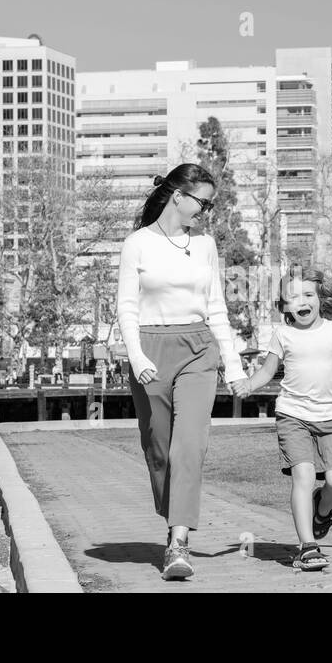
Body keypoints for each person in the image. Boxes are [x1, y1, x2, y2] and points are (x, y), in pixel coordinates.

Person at [116, 164, 248, 581]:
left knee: (188, 447)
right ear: (178, 195)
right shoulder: (136, 244)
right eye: (202, 202)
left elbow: (216, 307)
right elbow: (127, 307)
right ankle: (173, 515)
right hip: (150, 351)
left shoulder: (205, 245)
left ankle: (178, 543)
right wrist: (136, 356)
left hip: (198, 350)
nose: (205, 211)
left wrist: (233, 363)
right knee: (158, 449)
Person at [236, 269, 332, 571]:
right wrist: (248, 384)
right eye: (293, 297)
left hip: (331, 418)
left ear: (320, 299)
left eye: (308, 295)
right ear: (283, 306)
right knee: (302, 477)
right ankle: (307, 546)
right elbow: (267, 372)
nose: (301, 301)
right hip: (292, 416)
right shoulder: (283, 335)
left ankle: (321, 510)